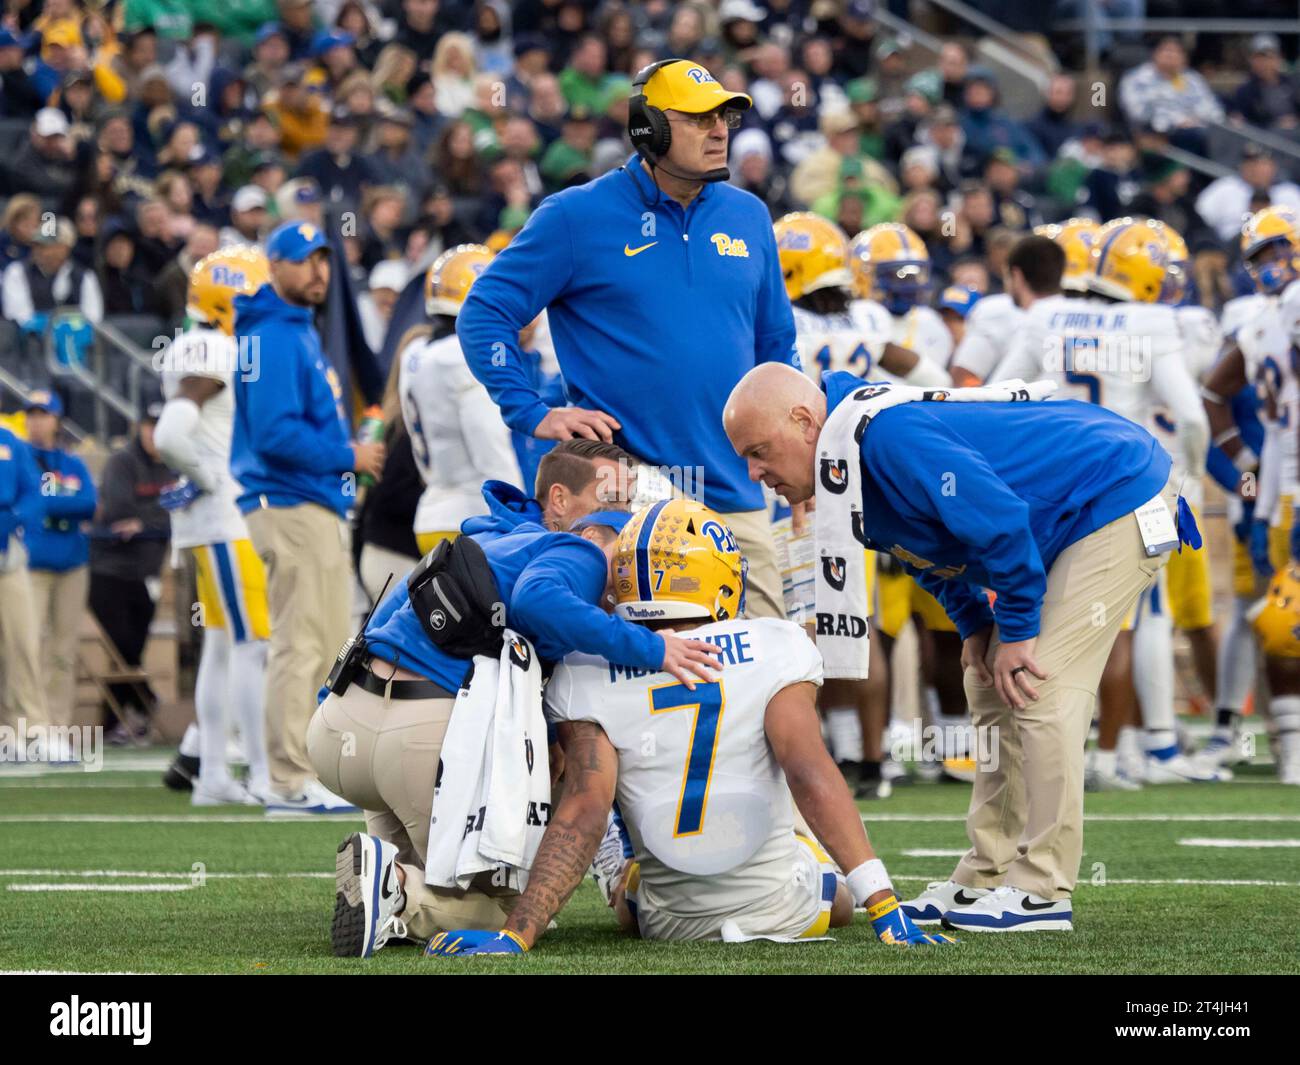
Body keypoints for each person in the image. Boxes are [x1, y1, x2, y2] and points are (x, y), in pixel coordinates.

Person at [722, 355, 1186, 932]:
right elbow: (930, 550)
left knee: (1036, 682)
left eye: (758, 451)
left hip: (1116, 493)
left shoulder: (884, 438)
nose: (753, 473)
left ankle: (1042, 890)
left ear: (802, 420)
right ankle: (987, 871)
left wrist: (1016, 629)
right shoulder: (846, 449)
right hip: (1070, 512)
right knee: (987, 681)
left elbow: (999, 519)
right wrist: (974, 625)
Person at [425, 501, 953, 954]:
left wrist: (516, 935)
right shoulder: (776, 644)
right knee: (822, 877)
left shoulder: (583, 668)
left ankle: (623, 871)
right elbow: (809, 773)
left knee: (629, 875)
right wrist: (883, 904)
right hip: (786, 908)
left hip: (666, 923)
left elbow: (584, 810)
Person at [308, 493, 726, 957]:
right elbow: (538, 599)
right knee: (514, 910)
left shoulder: (493, 541)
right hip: (415, 739)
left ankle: (386, 875)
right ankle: (398, 887)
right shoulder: (582, 554)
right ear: (592, 535)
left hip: (339, 727)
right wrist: (654, 649)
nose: (624, 582)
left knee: (409, 878)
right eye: (624, 558)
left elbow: (386, 614)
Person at [457, 59, 798, 621]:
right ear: (651, 129)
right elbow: (485, 310)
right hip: (628, 499)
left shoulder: (749, 215)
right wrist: (530, 411)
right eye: (699, 119)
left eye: (725, 119)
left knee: (766, 673)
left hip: (738, 496)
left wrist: (795, 464)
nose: (720, 131)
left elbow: (776, 349)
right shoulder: (575, 216)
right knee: (629, 683)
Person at [991, 222, 1218, 789]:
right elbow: (1190, 416)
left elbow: (998, 394)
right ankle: (1121, 753)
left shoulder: (1046, 315)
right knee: (1128, 621)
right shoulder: (1154, 322)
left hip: (1045, 491)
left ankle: (1058, 751)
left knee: (1039, 619)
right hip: (1126, 488)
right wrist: (1185, 482)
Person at [230, 219, 386, 812]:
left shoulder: (291, 330)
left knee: (319, 641)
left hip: (304, 500)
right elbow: (274, 435)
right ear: (275, 267)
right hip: (289, 500)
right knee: (302, 643)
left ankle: (300, 772)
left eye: (325, 259)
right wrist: (349, 453)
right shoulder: (275, 335)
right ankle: (288, 777)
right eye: (305, 260)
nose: (319, 271)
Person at [154, 248, 274, 806]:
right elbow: (170, 432)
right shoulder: (215, 348)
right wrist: (207, 478)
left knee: (224, 645)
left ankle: (213, 777)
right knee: (254, 644)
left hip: (209, 520)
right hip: (226, 517)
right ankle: (264, 774)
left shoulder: (199, 342)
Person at [397, 243, 523, 556]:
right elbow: (489, 445)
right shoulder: (462, 356)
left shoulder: (417, 353)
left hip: (431, 513)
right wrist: (521, 517)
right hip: (470, 520)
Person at [88, 405, 173, 742]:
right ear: (140, 427)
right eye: (149, 425)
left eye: (159, 425)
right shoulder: (121, 462)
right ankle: (146, 700)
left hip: (146, 573)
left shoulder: (171, 464)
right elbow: (119, 508)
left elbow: (180, 510)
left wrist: (146, 521)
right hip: (110, 570)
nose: (153, 432)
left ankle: (115, 723)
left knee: (132, 649)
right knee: (122, 646)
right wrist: (159, 515)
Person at [21, 391, 95, 737]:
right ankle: (26, 725)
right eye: (32, 414)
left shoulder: (72, 462)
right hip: (32, 564)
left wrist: (50, 505)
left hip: (72, 564)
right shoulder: (18, 457)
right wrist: (60, 504)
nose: (37, 420)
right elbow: (27, 503)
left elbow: (90, 504)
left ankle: (57, 727)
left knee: (63, 650)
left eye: (43, 414)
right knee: (27, 645)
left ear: (56, 419)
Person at [0, 416, 50, 747]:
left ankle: (29, 729)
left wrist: (15, 520)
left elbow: (36, 490)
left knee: (22, 642)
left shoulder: (9, 441)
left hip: (7, 556)